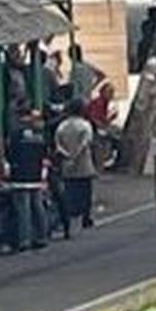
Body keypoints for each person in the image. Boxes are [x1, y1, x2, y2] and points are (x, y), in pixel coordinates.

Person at [6, 109, 50, 252]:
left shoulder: (16, 134)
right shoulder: (39, 135)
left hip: (20, 174)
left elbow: (10, 153)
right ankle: (42, 236)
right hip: (35, 174)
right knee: (37, 206)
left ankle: (24, 240)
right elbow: (44, 153)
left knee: (23, 208)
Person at [54, 98, 97, 235]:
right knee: (85, 190)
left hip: (66, 164)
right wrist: (76, 156)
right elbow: (85, 144)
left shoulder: (62, 126)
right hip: (83, 163)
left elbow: (58, 144)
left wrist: (67, 155)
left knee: (70, 190)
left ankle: (70, 215)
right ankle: (85, 217)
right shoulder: (85, 125)